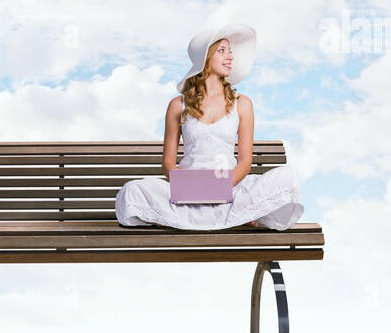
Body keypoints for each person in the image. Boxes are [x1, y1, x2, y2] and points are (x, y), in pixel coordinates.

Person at [115, 22, 305, 231]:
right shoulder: (178, 105)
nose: (230, 57)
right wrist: (188, 189)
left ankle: (236, 213)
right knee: (131, 190)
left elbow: (245, 161)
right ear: (205, 59)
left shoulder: (243, 103)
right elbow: (169, 161)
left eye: (230, 52)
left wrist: (221, 187)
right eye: (222, 51)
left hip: (231, 190)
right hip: (187, 194)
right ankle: (224, 216)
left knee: (289, 176)